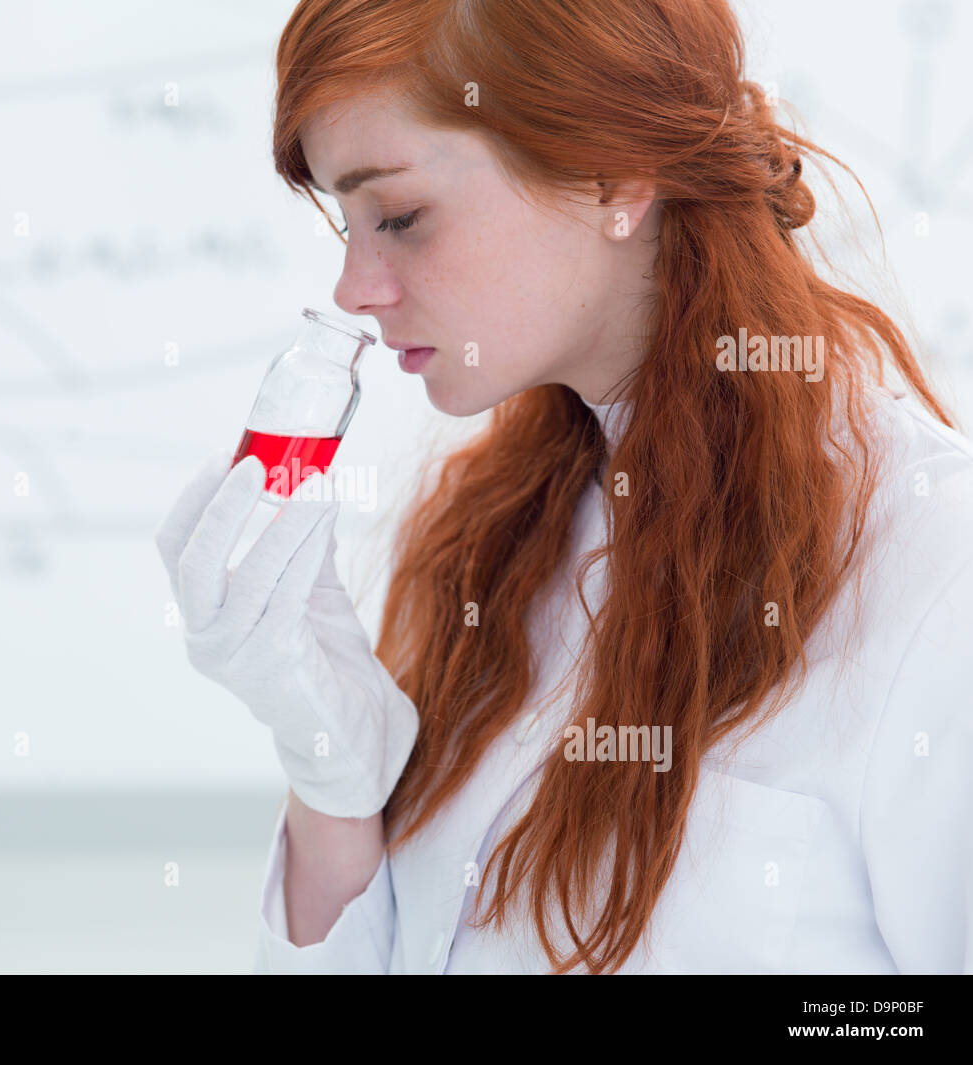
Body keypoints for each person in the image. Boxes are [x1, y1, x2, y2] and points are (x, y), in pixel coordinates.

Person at [154, 0, 973, 974]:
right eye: (345, 221)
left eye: (401, 217)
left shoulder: (934, 573)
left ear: (613, 175)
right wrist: (332, 777)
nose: (353, 287)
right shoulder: (492, 537)